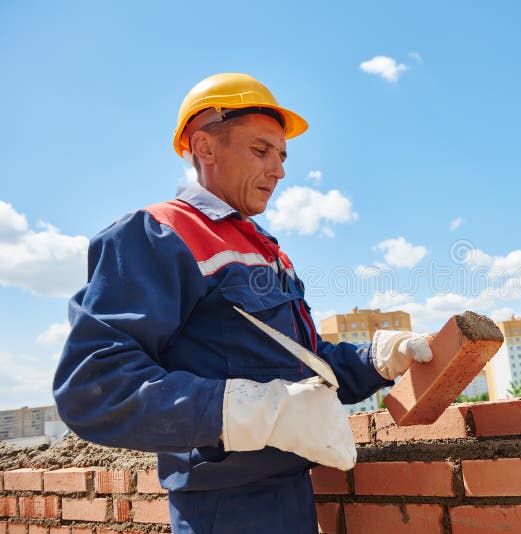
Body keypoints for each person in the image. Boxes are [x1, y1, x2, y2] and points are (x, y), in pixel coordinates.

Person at [53, 72, 433, 533]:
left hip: (292, 494)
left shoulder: (266, 250)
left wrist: (377, 359)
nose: (279, 170)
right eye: (261, 151)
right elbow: (94, 387)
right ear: (204, 148)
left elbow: (305, 371)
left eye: (282, 155)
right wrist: (256, 411)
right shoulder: (158, 233)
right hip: (224, 509)